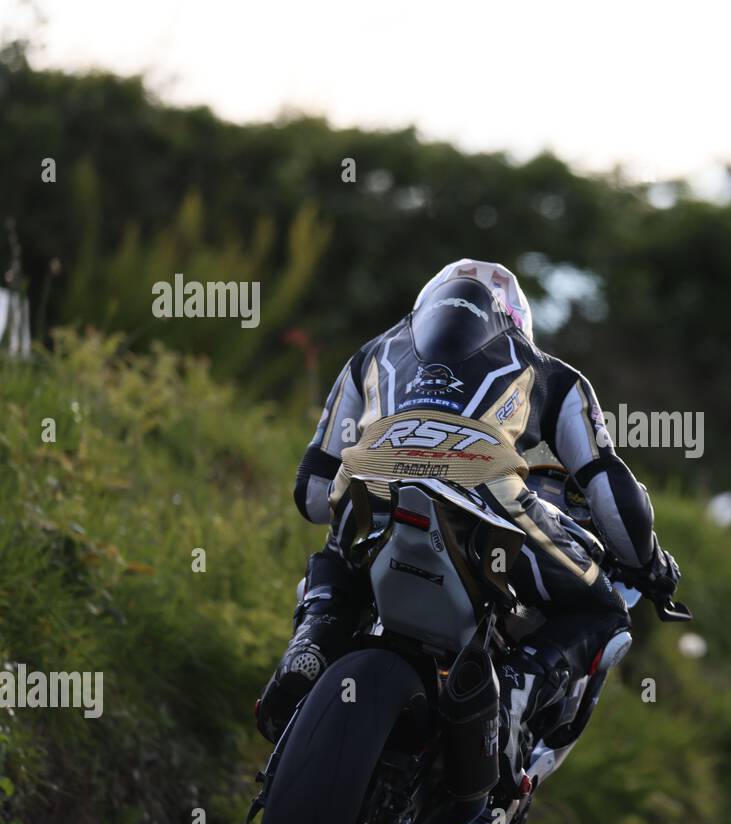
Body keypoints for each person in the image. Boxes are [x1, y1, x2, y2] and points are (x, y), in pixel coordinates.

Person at [254, 258, 681, 748]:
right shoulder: (549, 372)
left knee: (337, 556)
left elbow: (311, 496)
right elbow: (610, 488)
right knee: (603, 612)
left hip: (370, 482)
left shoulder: (370, 354)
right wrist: (647, 563)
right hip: (486, 495)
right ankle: (519, 689)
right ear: (519, 322)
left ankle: (314, 640)